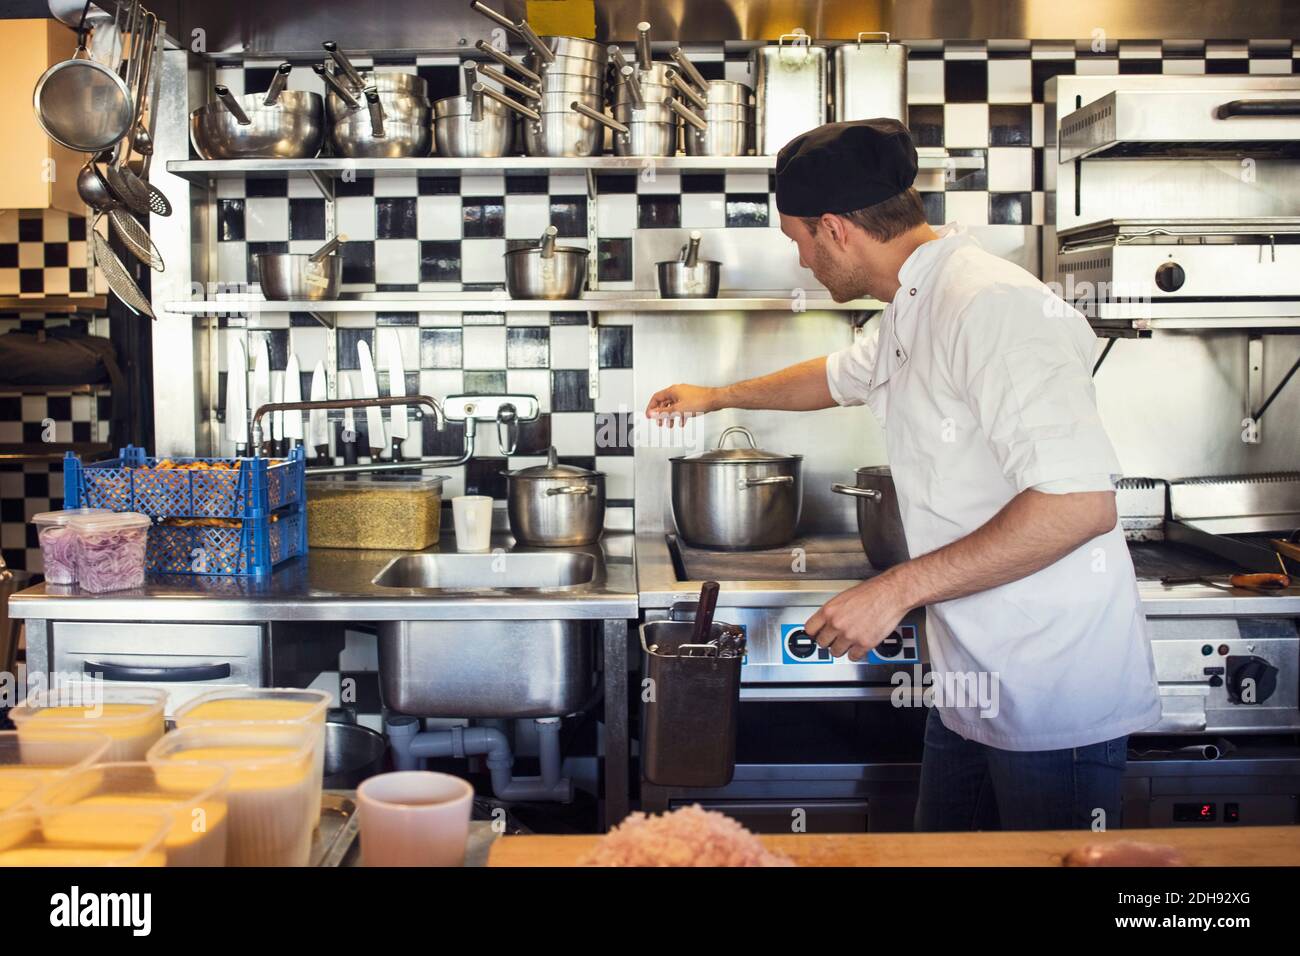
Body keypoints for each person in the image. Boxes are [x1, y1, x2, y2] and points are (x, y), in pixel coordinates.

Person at [645, 119, 1161, 832]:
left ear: (835, 230)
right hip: (969, 683)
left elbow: (1078, 505)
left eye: (798, 242)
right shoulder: (914, 302)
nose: (802, 264)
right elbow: (831, 378)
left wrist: (895, 590)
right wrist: (717, 395)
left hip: (1051, 694)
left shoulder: (993, 306)